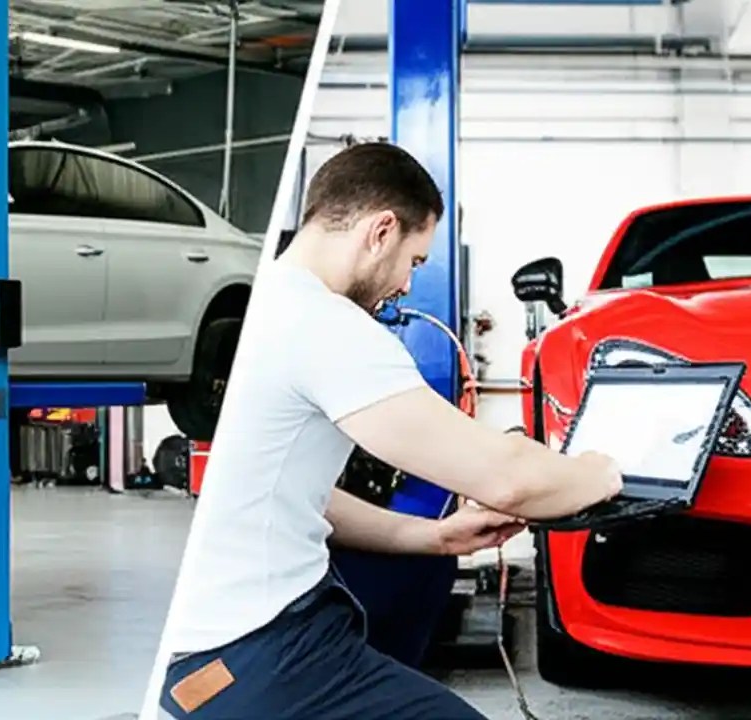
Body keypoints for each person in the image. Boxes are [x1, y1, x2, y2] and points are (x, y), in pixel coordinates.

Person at [140, 143, 623, 720]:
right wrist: (603, 470)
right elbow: (510, 481)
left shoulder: (267, 304)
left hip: (224, 643)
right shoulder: (327, 326)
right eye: (414, 261)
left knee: (423, 576)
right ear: (381, 231)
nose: (407, 285)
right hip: (255, 653)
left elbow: (296, 494)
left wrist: (434, 537)